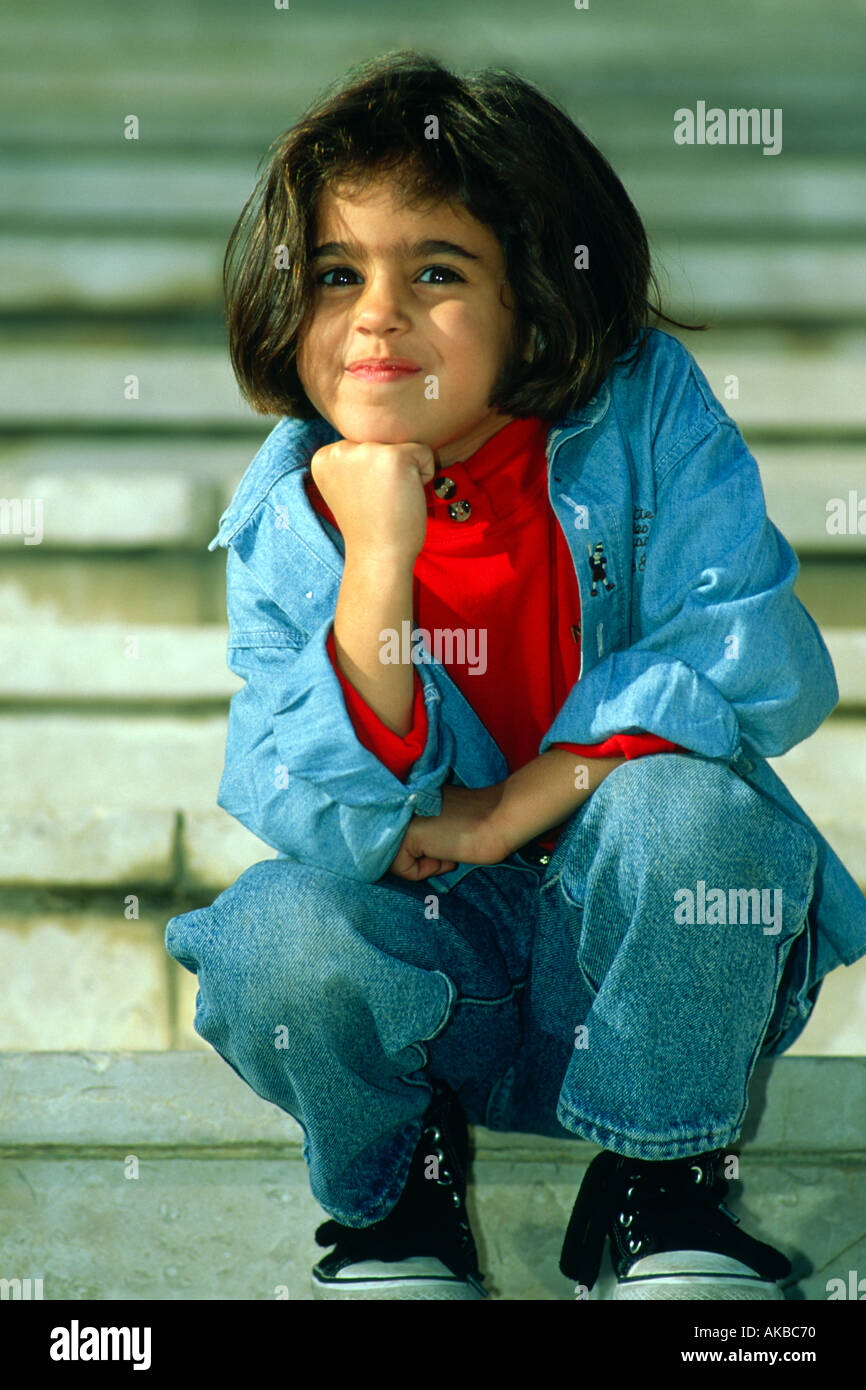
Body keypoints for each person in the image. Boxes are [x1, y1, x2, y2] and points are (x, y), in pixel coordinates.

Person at [165, 51, 866, 1301]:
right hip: (442, 991)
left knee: (697, 816)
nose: (374, 314)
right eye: (338, 274)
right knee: (273, 927)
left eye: (433, 271)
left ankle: (661, 1182)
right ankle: (398, 1203)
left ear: (535, 302)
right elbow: (311, 801)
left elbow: (748, 653)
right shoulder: (287, 509)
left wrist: (526, 794)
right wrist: (377, 559)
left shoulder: (646, 410)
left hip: (654, 966)